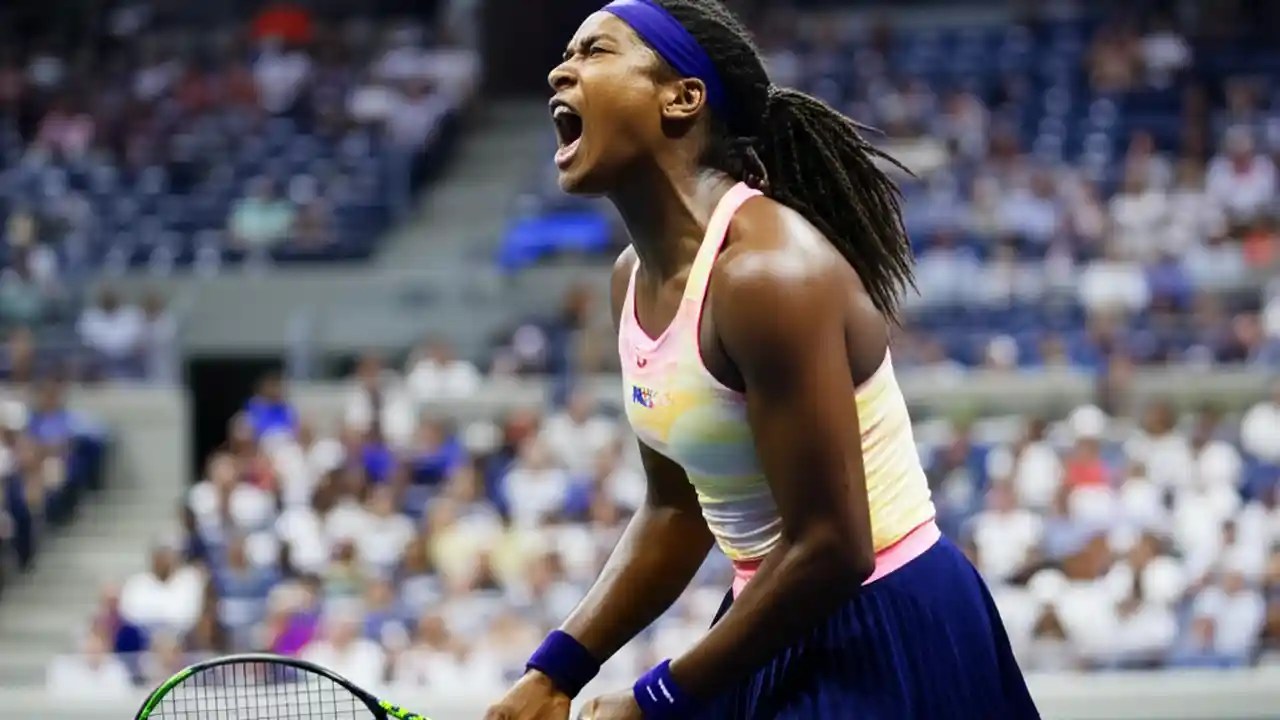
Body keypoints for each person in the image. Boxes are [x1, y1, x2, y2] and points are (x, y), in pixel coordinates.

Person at [485, 1, 1038, 719]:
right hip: (775, 611)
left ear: (681, 98)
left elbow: (836, 548)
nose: (561, 69)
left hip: (883, 623)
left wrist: (656, 698)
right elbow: (677, 508)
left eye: (595, 51)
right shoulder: (632, 278)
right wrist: (556, 670)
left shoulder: (768, 275)